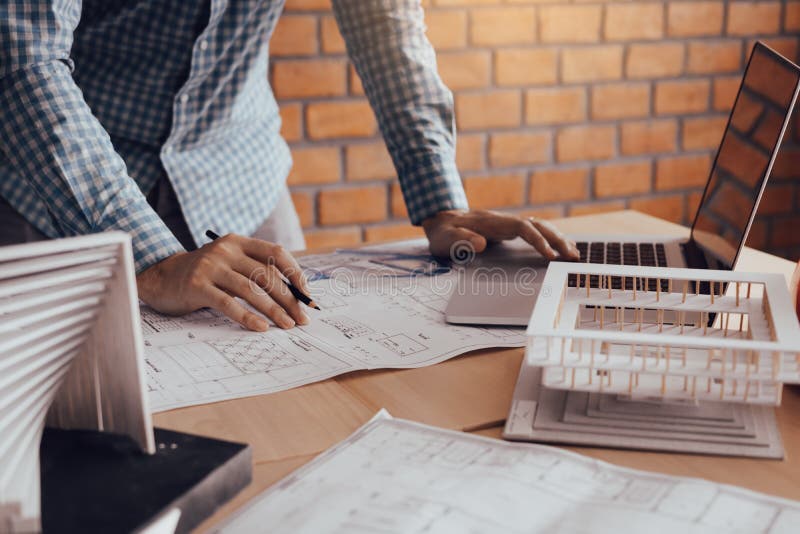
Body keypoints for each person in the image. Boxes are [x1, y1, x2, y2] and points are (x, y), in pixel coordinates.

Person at [0, 0, 578, 332]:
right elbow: (24, 56)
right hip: (56, 187)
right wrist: (153, 260)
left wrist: (440, 202)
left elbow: (386, 26)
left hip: (239, 171)